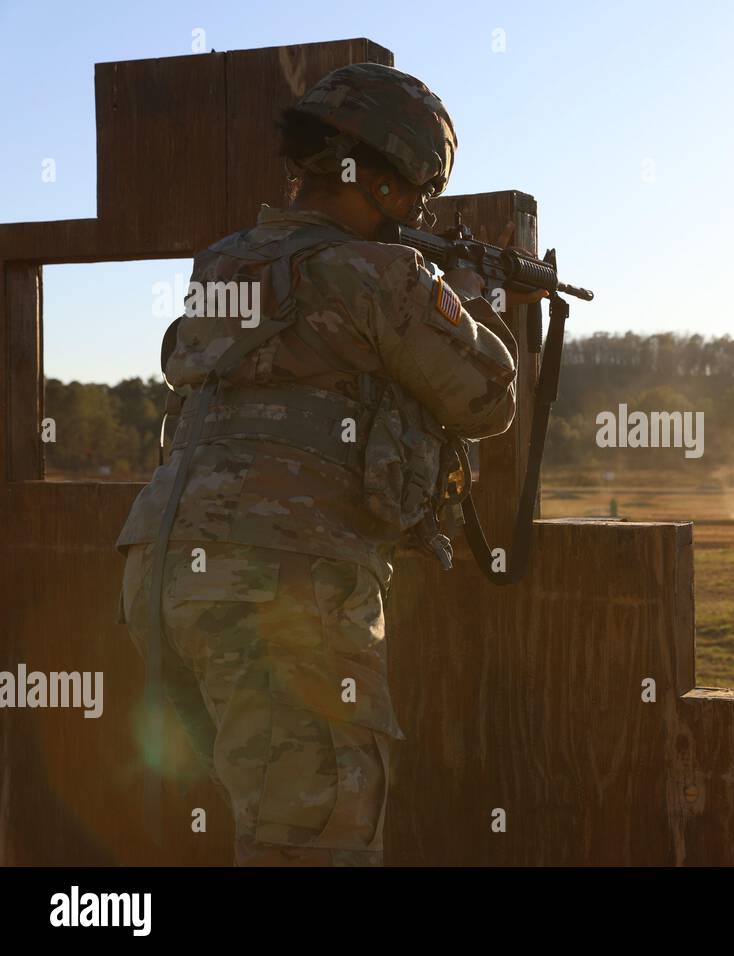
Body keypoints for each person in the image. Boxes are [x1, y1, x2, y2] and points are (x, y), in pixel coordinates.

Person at [116, 62, 539, 865]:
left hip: (161, 569)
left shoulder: (225, 263)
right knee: (320, 837)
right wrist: (473, 298)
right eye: (415, 191)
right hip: (282, 585)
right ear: (385, 183)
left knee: (267, 814)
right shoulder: (385, 274)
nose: (418, 210)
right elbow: (487, 402)